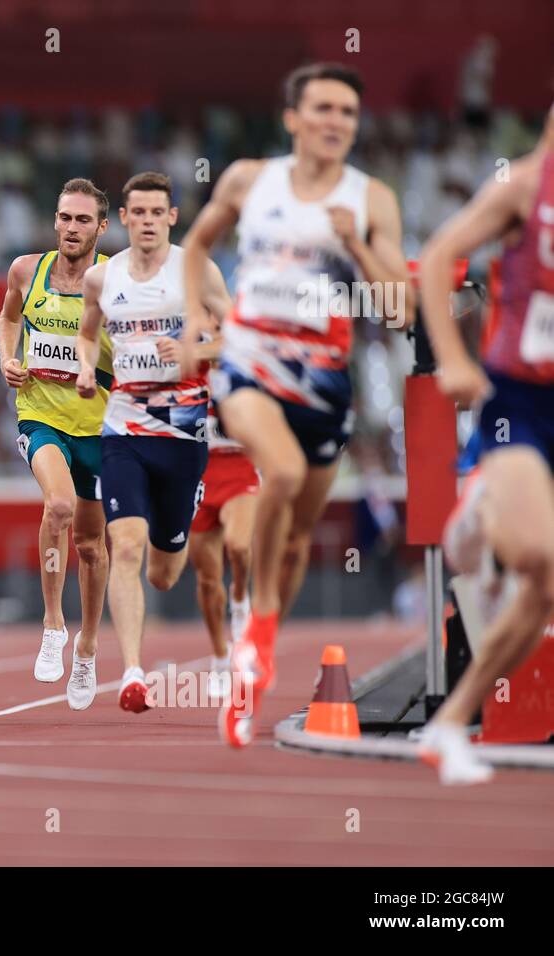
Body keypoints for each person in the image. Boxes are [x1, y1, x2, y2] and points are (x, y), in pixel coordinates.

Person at [182, 63, 413, 747]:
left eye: (347, 111)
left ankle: (259, 637)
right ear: (293, 118)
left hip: (323, 383)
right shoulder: (250, 180)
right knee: (277, 473)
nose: (336, 121)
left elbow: (398, 305)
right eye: (322, 108)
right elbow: (196, 245)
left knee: (291, 543)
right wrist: (198, 319)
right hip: (250, 362)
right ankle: (252, 629)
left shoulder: (372, 200)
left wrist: (355, 243)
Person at [415, 101, 554, 785]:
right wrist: (453, 360)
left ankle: (449, 726)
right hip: (519, 402)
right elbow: (441, 252)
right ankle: (482, 514)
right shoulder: (524, 187)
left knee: (544, 587)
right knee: (536, 555)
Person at [76, 171, 230, 713]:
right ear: (123, 218)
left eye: (154, 213)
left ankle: (177, 534)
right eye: (135, 213)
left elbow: (239, 334)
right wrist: (82, 369)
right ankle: (133, 674)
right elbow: (89, 329)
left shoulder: (197, 270)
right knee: (126, 548)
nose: (145, 222)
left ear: (171, 217)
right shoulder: (104, 277)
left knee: (164, 574)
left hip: (183, 436)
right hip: (123, 430)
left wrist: (197, 352)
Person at [0, 178, 112, 709]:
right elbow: (8, 318)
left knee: (91, 545)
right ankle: (52, 625)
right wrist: (7, 358)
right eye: (65, 217)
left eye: (82, 220)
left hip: (100, 426)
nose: (71, 228)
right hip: (40, 414)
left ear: (101, 227)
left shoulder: (115, 281)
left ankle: (87, 648)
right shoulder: (27, 269)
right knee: (58, 505)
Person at [187, 402, 258, 678]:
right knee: (207, 578)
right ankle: (219, 655)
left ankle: (239, 594)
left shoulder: (243, 372)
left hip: (240, 471)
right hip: (200, 475)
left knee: (239, 545)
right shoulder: (188, 373)